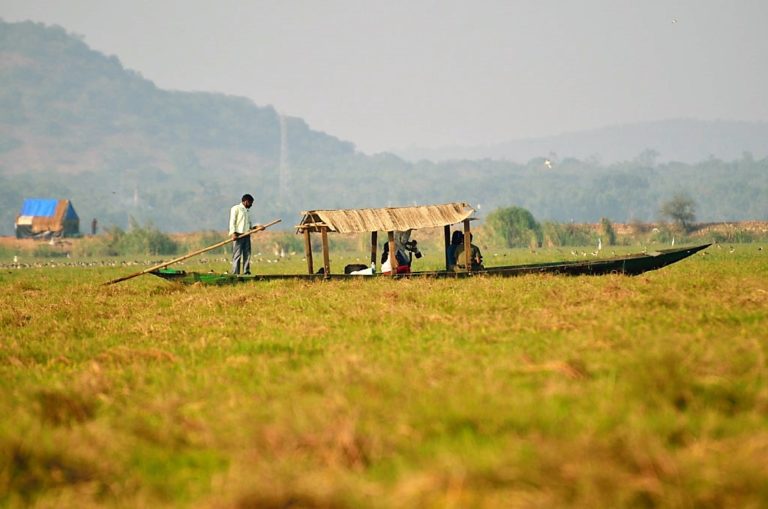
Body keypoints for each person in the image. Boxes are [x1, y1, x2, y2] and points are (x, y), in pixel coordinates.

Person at [229, 194, 254, 275]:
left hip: (247, 235)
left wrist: (257, 227)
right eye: (251, 203)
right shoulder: (236, 208)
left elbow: (250, 225)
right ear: (246, 201)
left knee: (247, 254)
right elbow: (232, 222)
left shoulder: (248, 211)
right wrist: (233, 233)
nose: (251, 205)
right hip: (238, 236)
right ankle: (235, 273)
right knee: (237, 255)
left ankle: (246, 271)